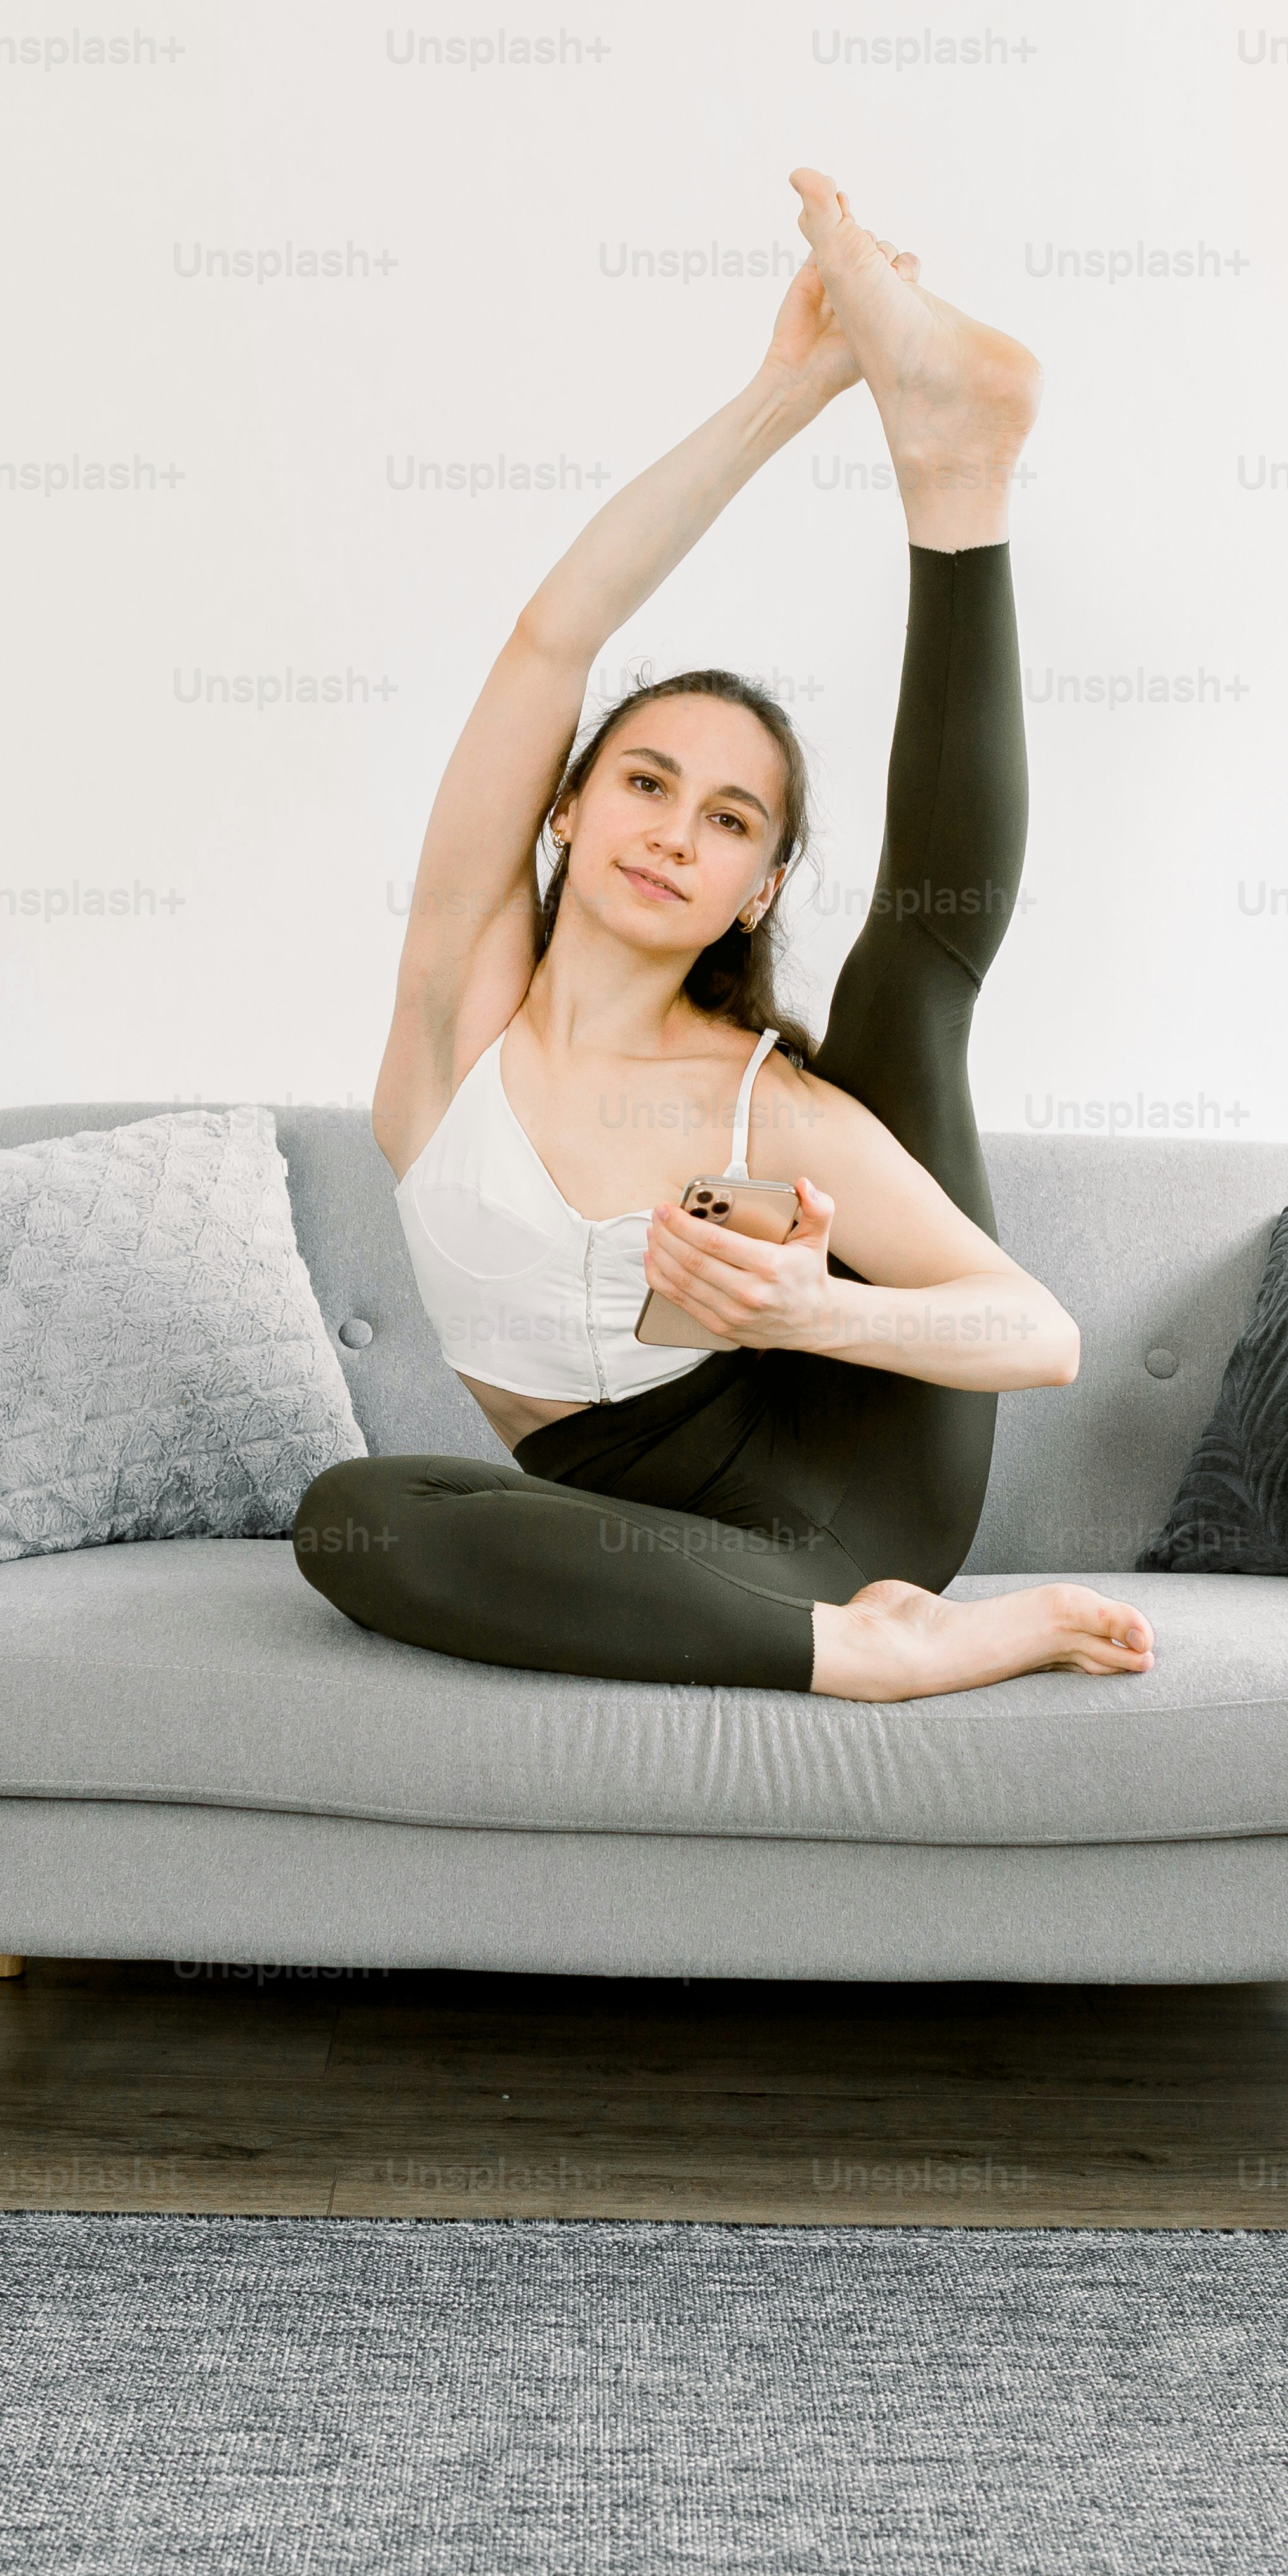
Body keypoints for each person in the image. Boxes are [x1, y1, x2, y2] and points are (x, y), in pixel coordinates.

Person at [294, 171, 1155, 1704]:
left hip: (848, 1493)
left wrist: (810, 1309)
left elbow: (1042, 1334)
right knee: (354, 1521)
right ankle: (862, 1646)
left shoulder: (770, 1098)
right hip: (641, 1537)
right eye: (645, 781)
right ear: (565, 811)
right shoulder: (455, 1025)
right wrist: (791, 389)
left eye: (733, 820)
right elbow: (555, 634)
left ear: (753, 889)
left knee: (914, 980)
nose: (676, 832)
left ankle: (960, 477)